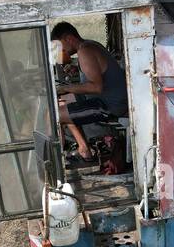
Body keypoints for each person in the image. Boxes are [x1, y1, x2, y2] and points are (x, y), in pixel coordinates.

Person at [52, 21, 129, 161]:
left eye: (60, 46)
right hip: (115, 98)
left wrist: (64, 88)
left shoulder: (84, 51)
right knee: (65, 103)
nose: (59, 51)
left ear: (69, 39)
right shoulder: (90, 44)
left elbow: (96, 87)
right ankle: (84, 148)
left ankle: (78, 152)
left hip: (111, 105)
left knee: (56, 115)